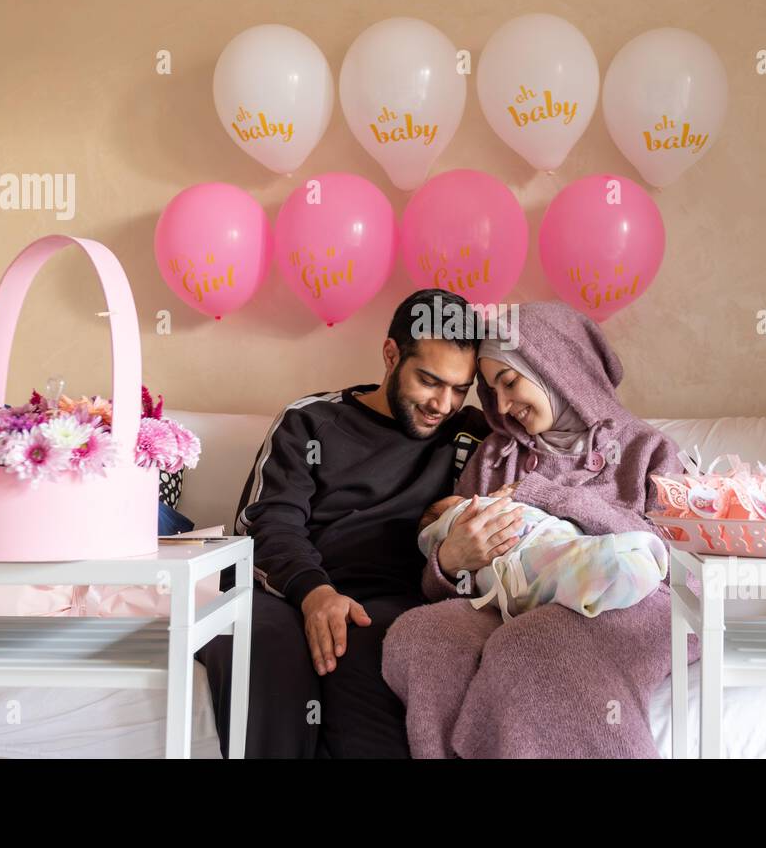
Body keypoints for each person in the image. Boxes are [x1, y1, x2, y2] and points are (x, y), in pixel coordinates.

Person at [195, 289, 523, 758]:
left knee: (372, 646)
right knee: (250, 642)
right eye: (429, 380)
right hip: (290, 591)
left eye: (459, 388)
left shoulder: (472, 434)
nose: (442, 404)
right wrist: (316, 594)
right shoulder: (311, 421)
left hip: (400, 599)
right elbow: (268, 523)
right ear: (391, 354)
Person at [381, 300, 698, 758]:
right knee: (421, 635)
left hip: (635, 601)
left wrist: (551, 496)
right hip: (513, 603)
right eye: (493, 391)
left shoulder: (648, 449)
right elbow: (453, 585)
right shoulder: (494, 456)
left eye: (509, 382)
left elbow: (679, 563)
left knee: (535, 641)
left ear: (557, 365)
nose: (505, 405)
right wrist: (449, 562)